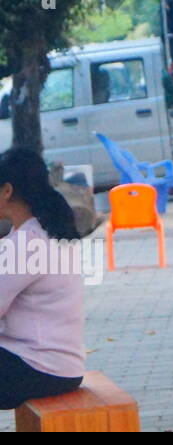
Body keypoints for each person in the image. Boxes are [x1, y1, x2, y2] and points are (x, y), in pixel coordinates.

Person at [0, 148, 85, 410]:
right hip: (56, 365)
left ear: (7, 191)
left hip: (40, 368)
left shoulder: (27, 243)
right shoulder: (41, 230)